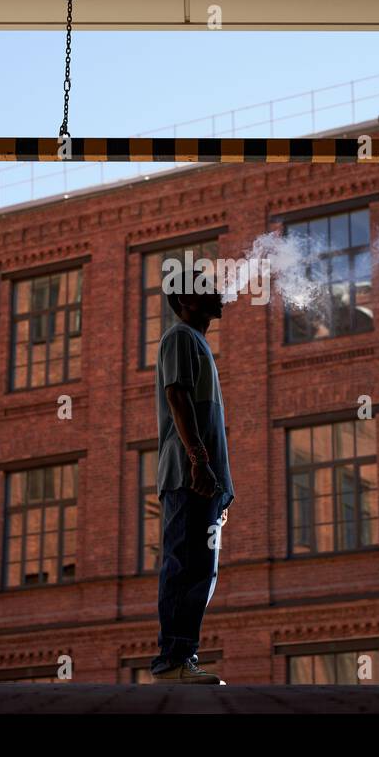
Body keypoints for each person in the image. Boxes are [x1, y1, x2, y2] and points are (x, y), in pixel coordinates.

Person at [150, 266, 234, 683]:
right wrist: (199, 462)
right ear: (185, 301)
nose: (218, 292)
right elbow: (176, 397)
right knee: (185, 565)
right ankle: (172, 662)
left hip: (203, 483)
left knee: (201, 568)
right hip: (188, 477)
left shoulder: (196, 342)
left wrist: (221, 489)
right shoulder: (180, 337)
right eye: (207, 288)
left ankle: (182, 658)